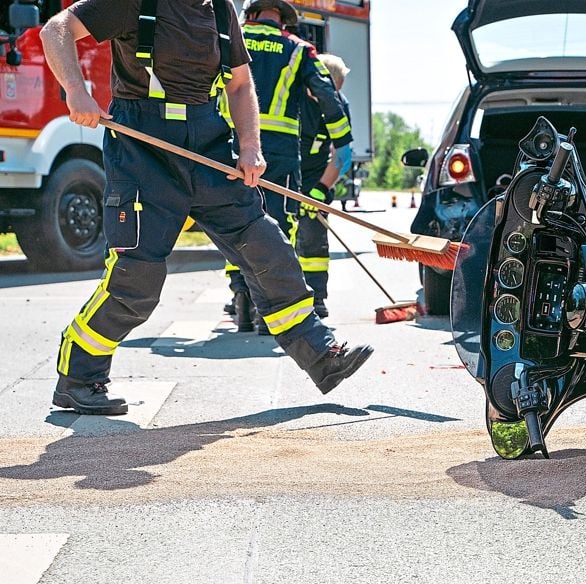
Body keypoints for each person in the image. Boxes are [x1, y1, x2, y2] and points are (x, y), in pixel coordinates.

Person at [41, 0, 372, 415]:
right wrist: (75, 89)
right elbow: (55, 30)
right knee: (137, 278)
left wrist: (250, 147)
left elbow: (239, 85)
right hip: (143, 145)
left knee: (265, 246)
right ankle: (79, 378)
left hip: (208, 144)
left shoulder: (219, 10)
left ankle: (323, 356)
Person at [222, 0, 353, 333]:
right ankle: (272, 314)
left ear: (250, 14)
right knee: (275, 226)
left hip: (227, 147)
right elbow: (327, 94)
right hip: (276, 155)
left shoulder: (227, 38)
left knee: (232, 222)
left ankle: (243, 304)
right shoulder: (298, 49)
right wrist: (343, 141)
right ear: (283, 19)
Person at [295, 53, 352, 318]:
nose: (333, 96)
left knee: (313, 237)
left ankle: (316, 297)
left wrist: (321, 189)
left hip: (317, 175)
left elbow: (343, 155)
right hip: (285, 170)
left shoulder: (340, 105)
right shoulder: (295, 99)